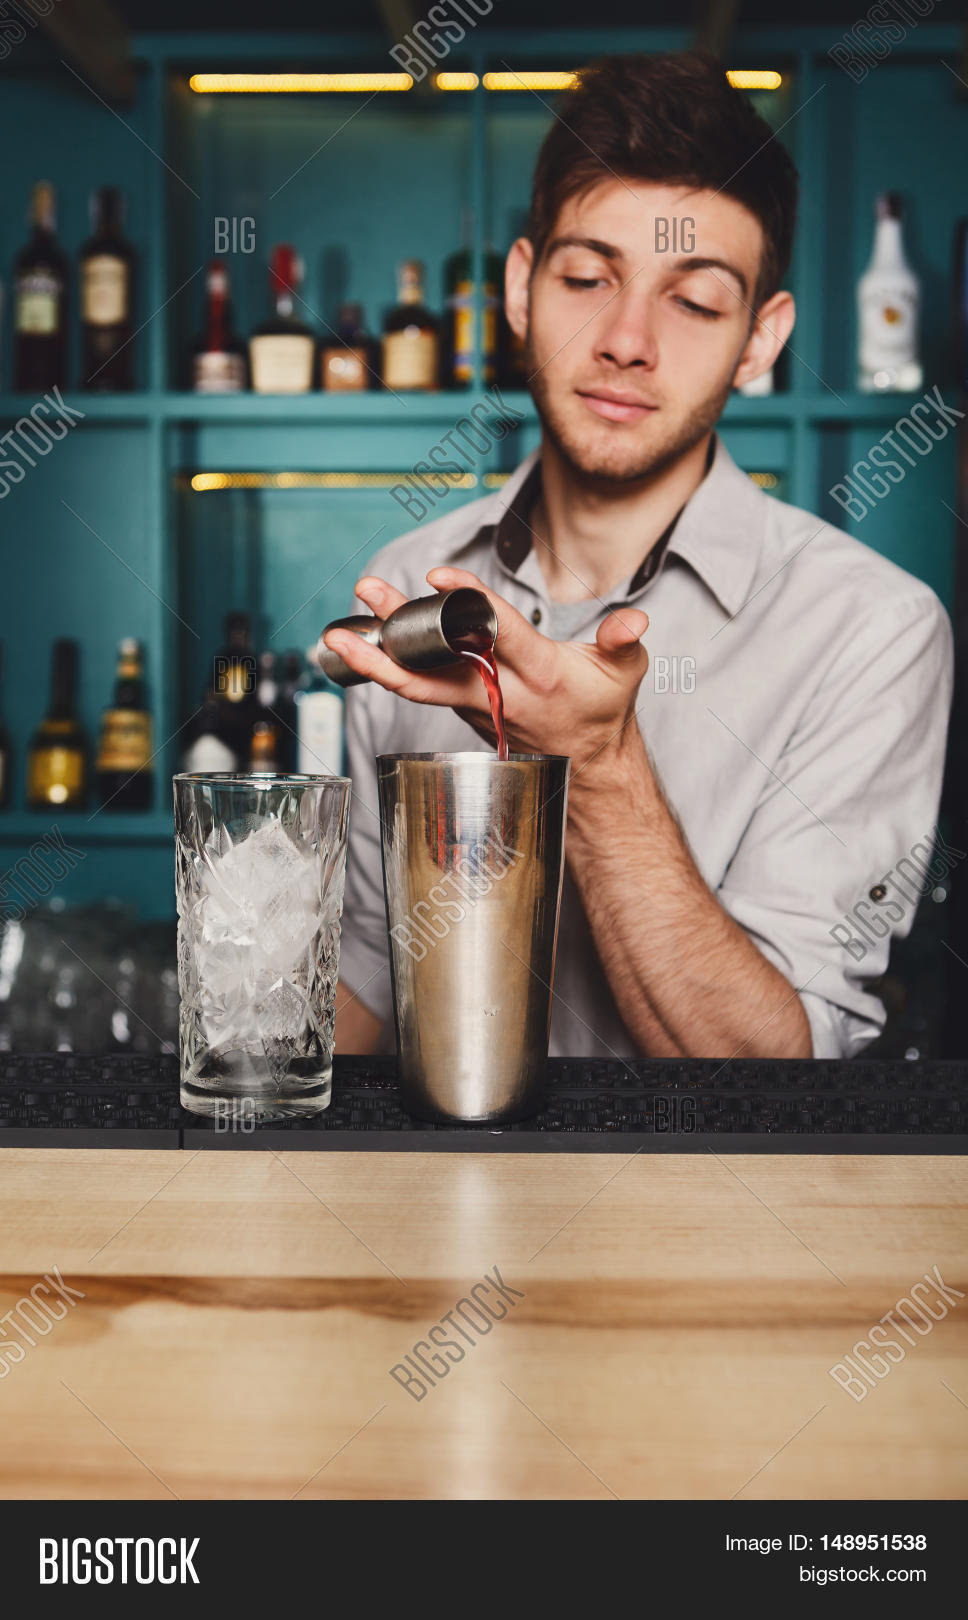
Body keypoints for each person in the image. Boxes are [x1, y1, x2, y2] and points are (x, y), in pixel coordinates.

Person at [327, 51, 952, 1061]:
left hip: (705, 1221)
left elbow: (771, 1074)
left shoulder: (872, 631)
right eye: (586, 277)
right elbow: (369, 978)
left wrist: (598, 766)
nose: (626, 339)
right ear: (522, 289)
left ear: (758, 341)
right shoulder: (412, 574)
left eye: (695, 302)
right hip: (424, 1210)